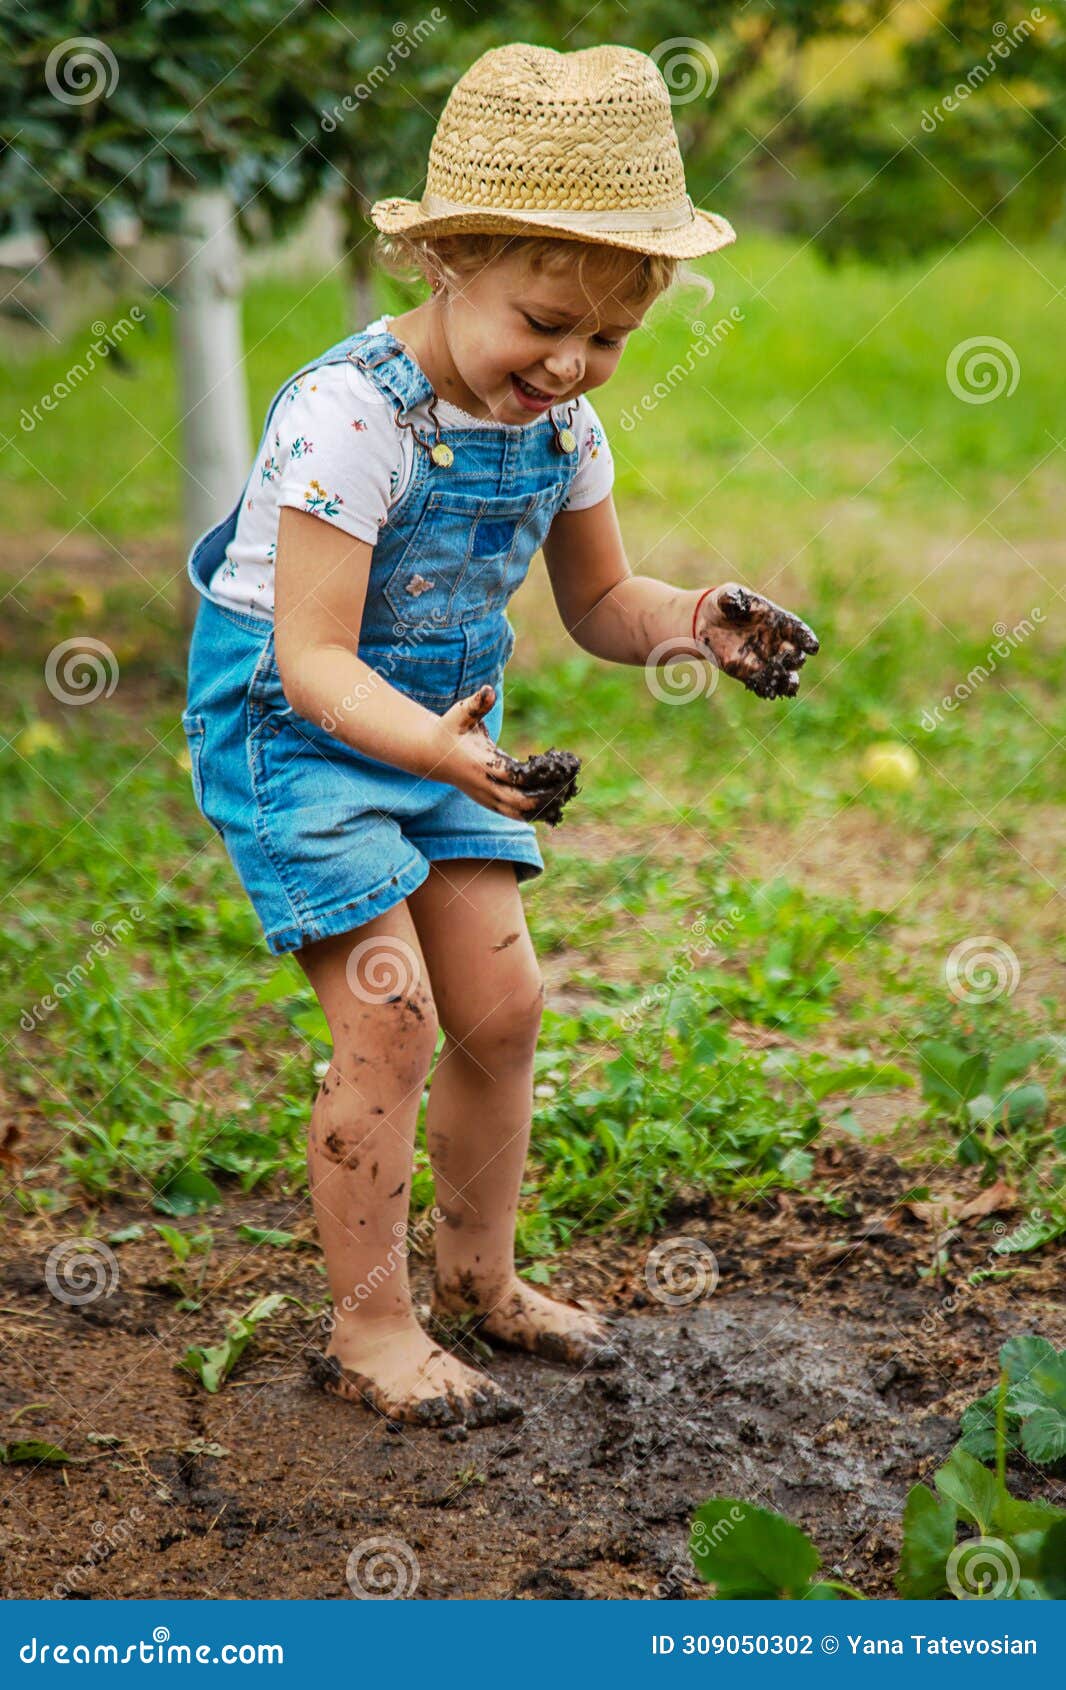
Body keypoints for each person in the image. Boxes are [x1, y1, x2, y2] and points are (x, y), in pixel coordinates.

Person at [181, 42, 820, 1431]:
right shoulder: (349, 418)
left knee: (502, 1010)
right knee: (392, 1015)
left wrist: (693, 618)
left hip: (447, 737)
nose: (571, 364)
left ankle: (483, 1279)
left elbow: (596, 599)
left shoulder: (558, 426)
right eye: (543, 320)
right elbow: (307, 658)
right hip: (295, 727)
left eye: (608, 339)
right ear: (447, 261)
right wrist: (434, 750)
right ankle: (372, 1326)